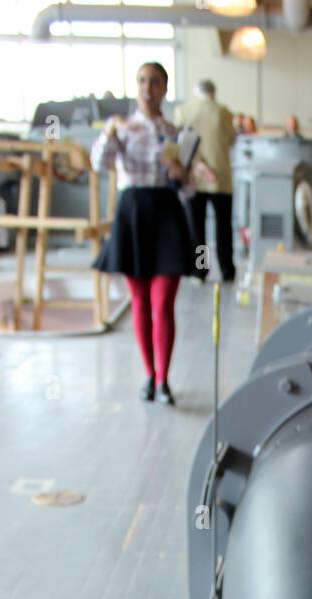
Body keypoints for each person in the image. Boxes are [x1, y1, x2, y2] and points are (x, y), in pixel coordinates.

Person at [91, 62, 196, 406]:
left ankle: (164, 379)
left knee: (163, 302)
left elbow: (189, 190)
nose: (147, 88)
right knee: (139, 302)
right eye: (141, 81)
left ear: (165, 88)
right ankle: (149, 374)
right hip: (131, 212)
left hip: (166, 215)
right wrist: (109, 131)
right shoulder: (122, 128)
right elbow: (98, 162)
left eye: (154, 82)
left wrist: (181, 173)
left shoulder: (177, 133)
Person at [178, 80, 236, 283]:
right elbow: (231, 139)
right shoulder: (224, 112)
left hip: (195, 178)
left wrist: (199, 164)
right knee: (223, 228)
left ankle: (201, 270)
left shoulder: (185, 111)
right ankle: (227, 269)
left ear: (196, 92)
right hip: (221, 178)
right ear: (214, 92)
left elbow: (181, 144)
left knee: (198, 229)